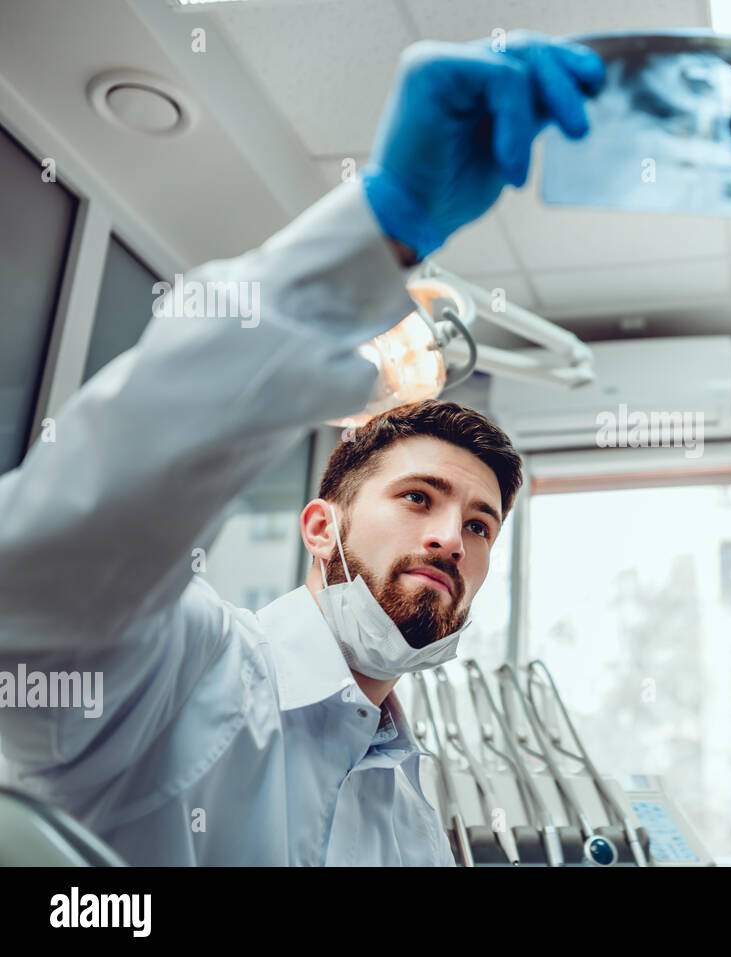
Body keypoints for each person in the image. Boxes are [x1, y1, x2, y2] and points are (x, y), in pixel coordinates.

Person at [0, 32, 605, 865]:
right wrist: (379, 227)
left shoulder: (411, 813)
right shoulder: (177, 677)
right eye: (418, 497)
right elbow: (42, 578)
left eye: (480, 526)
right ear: (319, 526)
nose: (450, 538)